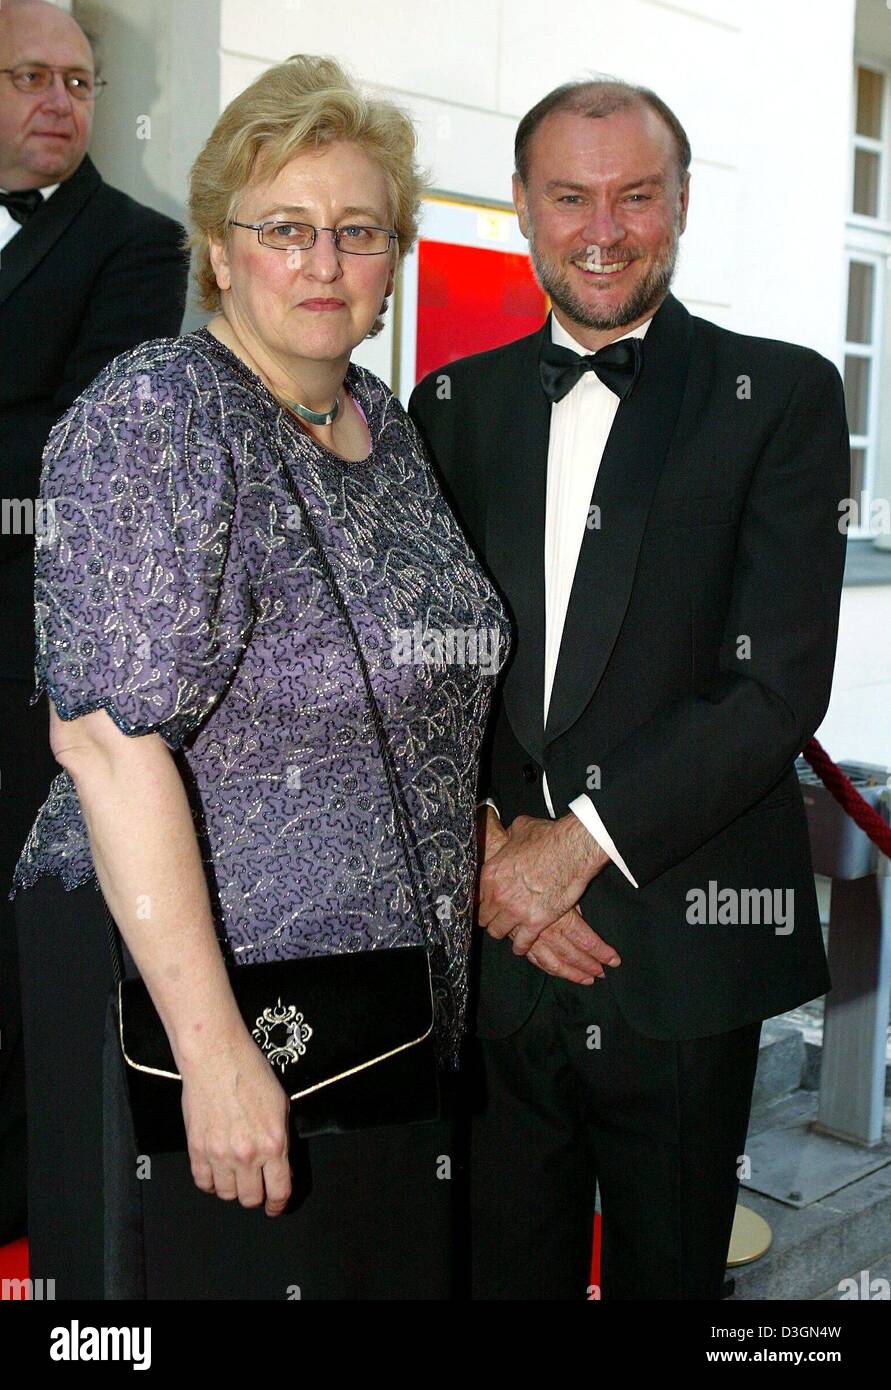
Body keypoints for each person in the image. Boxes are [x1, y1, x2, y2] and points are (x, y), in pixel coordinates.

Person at [8, 52, 510, 1300]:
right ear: (220, 254)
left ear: (394, 257)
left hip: (379, 1016)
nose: (324, 261)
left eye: (359, 229)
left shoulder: (382, 421)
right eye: (285, 227)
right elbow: (103, 739)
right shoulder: (162, 413)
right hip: (198, 1014)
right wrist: (215, 1051)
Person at [409, 78, 850, 1300]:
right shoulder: (447, 405)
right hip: (493, 947)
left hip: (683, 949)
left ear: (683, 202)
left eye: (636, 195)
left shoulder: (785, 397)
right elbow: (418, 674)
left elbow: (774, 690)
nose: (602, 230)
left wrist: (577, 847)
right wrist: (491, 854)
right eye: (570, 196)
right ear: (522, 205)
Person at [0, 0, 187, 1248]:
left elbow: (71, 446)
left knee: (21, 939)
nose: (61, 100)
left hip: (27, 662)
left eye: (79, 79)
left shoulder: (137, 243)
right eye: (30, 75)